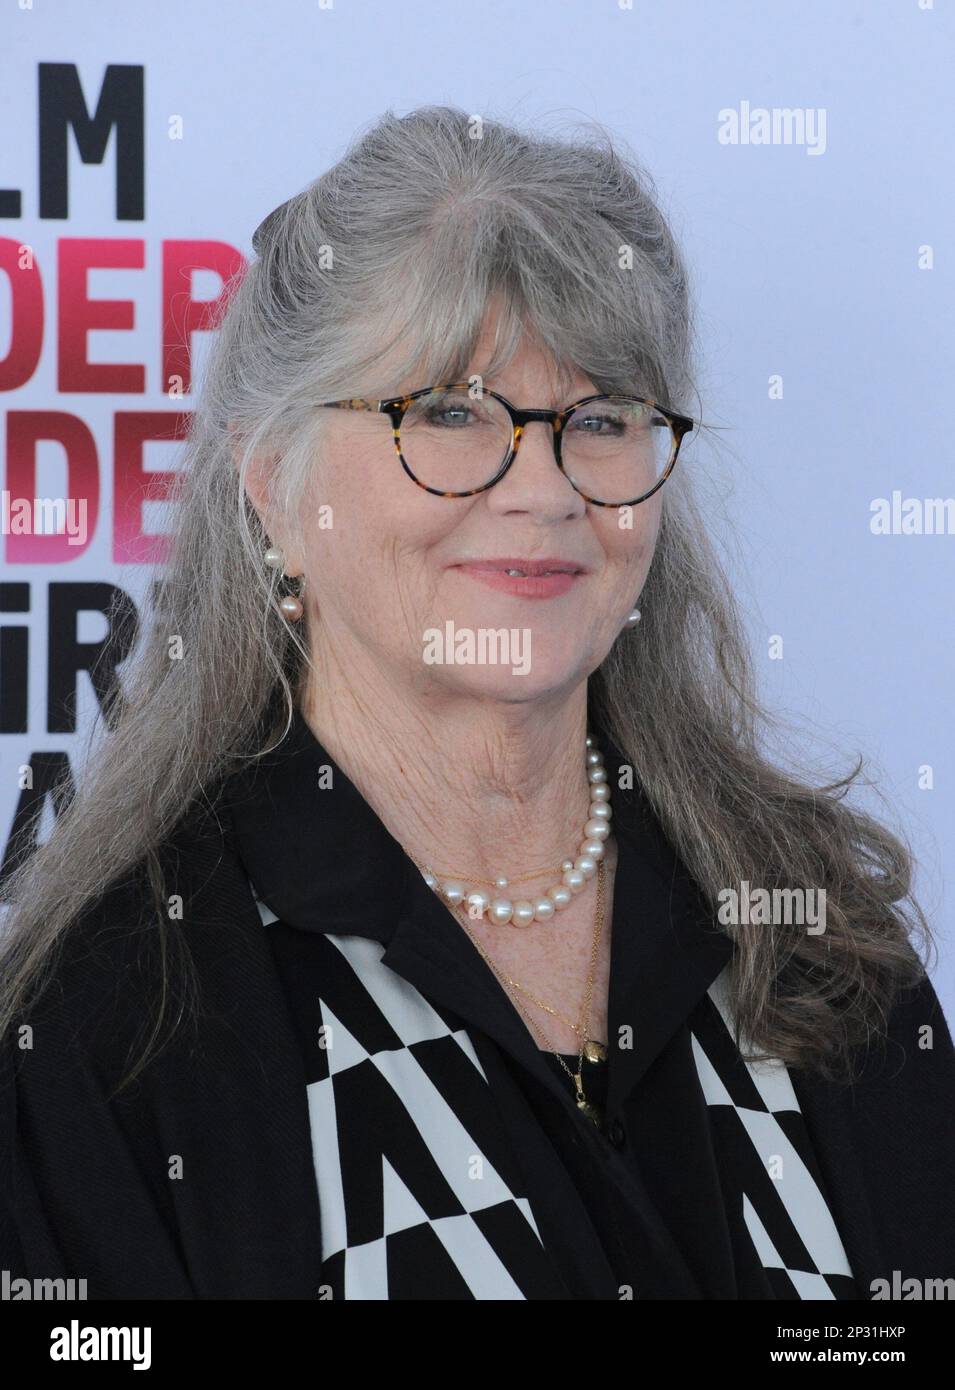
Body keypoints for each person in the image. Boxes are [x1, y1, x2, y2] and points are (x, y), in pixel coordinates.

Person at [1, 105, 953, 1301]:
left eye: (600, 420)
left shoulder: (813, 933)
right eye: (448, 414)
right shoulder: (118, 1013)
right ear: (272, 482)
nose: (542, 488)